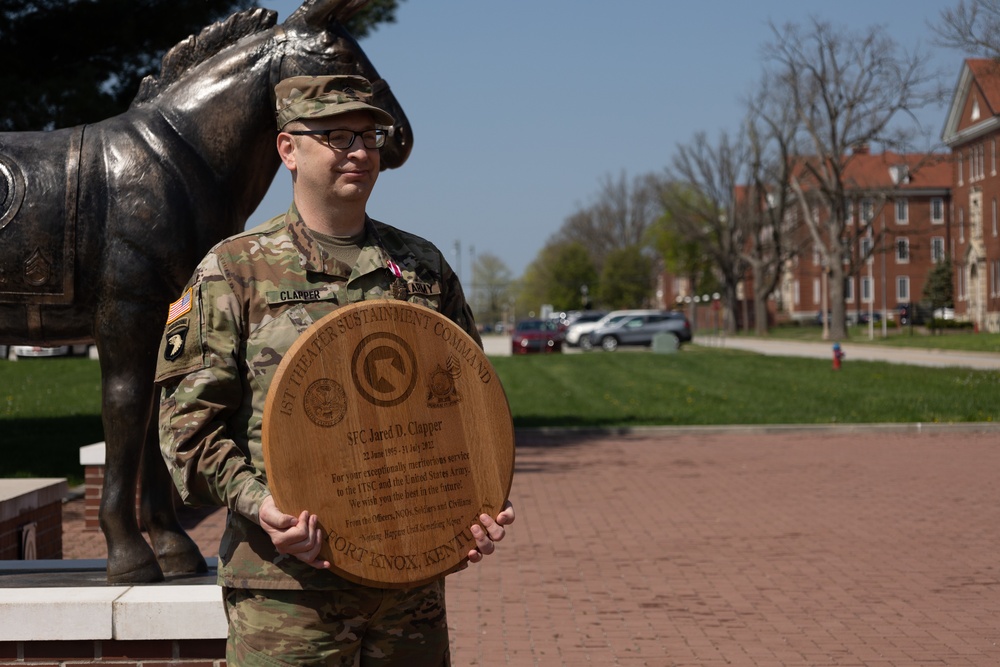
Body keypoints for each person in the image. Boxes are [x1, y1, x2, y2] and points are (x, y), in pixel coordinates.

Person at [156, 74, 514, 666]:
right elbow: (186, 432)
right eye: (337, 136)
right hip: (288, 593)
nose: (360, 152)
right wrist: (260, 505)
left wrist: (474, 503)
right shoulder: (233, 271)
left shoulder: (422, 267)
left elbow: (470, 406)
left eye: (370, 135)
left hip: (410, 590)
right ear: (288, 149)